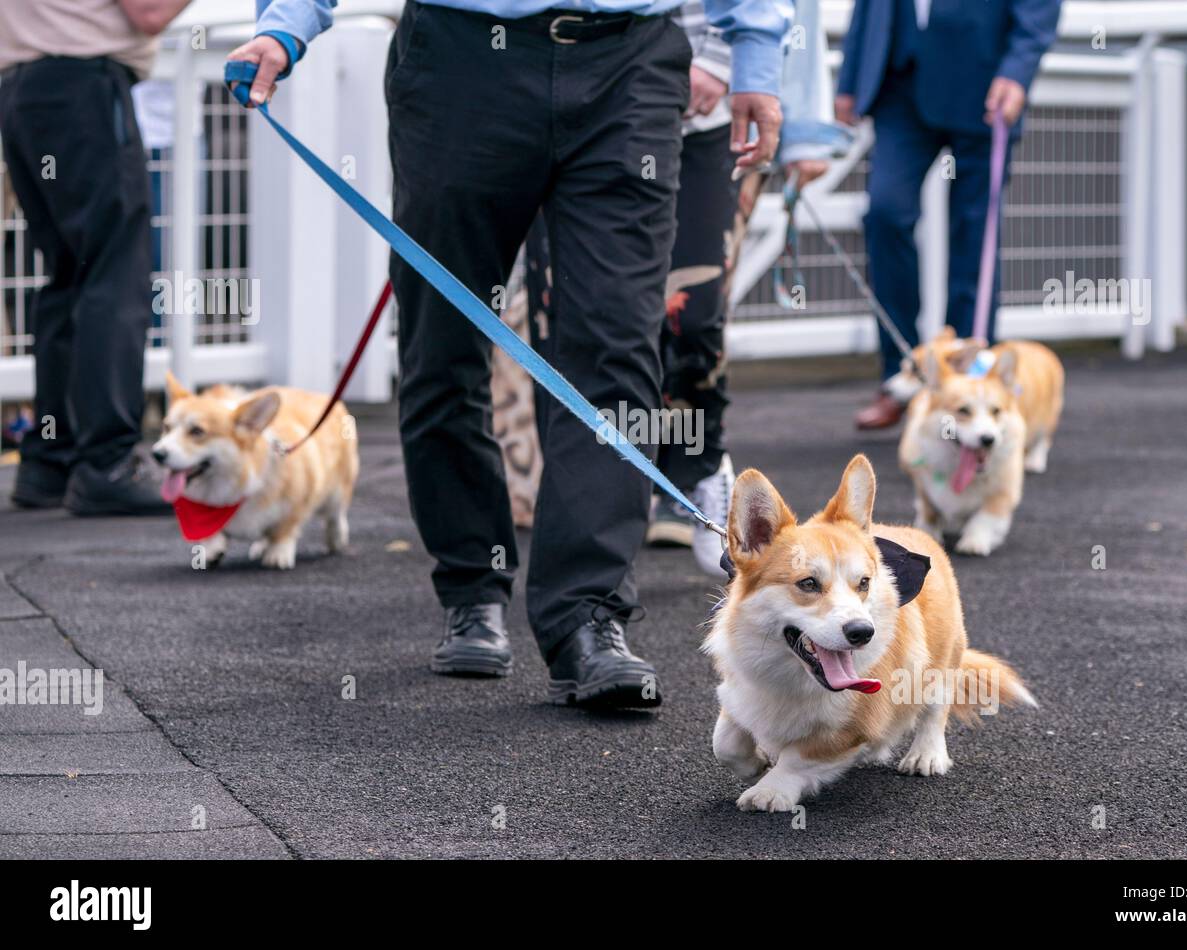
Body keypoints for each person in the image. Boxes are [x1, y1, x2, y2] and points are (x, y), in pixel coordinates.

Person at [232, 0, 790, 711]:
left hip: (631, 63)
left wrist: (756, 56)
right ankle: (471, 585)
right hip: (462, 64)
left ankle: (588, 617)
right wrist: (285, 24)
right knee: (442, 343)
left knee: (618, 351)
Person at [640, 0, 850, 576]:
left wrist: (804, 129)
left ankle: (695, 470)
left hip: (719, 114)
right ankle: (624, 484)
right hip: (588, 101)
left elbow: (794, 12)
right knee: (604, 314)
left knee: (693, 309)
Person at [0, 0, 193, 513]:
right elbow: (148, 10)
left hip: (23, 89)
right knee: (113, 274)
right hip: (82, 85)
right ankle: (106, 460)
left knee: (69, 274)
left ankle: (50, 460)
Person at [836, 0, 1061, 429]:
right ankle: (901, 377)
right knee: (885, 214)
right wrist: (850, 80)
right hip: (898, 87)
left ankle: (970, 389)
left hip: (983, 86)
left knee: (974, 237)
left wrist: (1017, 71)